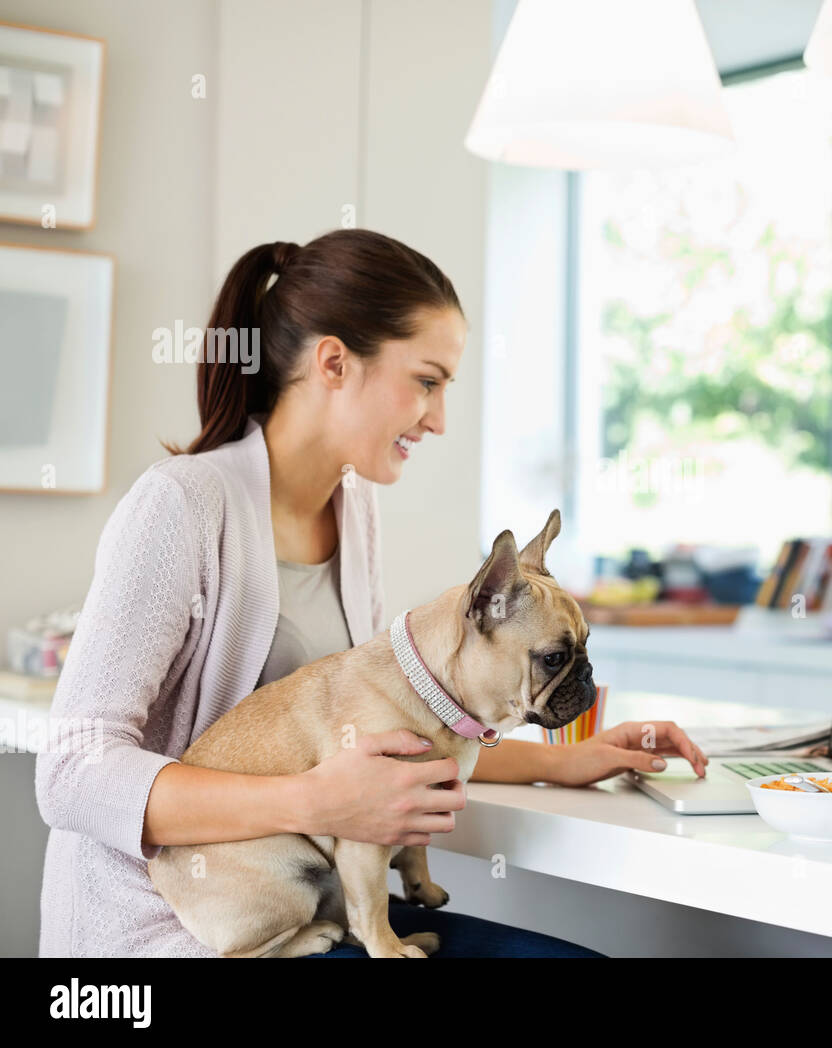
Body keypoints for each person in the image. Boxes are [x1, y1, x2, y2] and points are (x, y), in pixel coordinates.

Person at [33, 228, 709, 958]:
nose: (440, 418)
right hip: (178, 935)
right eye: (427, 380)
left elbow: (387, 737)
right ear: (334, 363)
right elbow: (71, 772)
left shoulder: (353, 510)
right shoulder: (181, 506)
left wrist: (564, 759)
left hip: (317, 915)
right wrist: (313, 801)